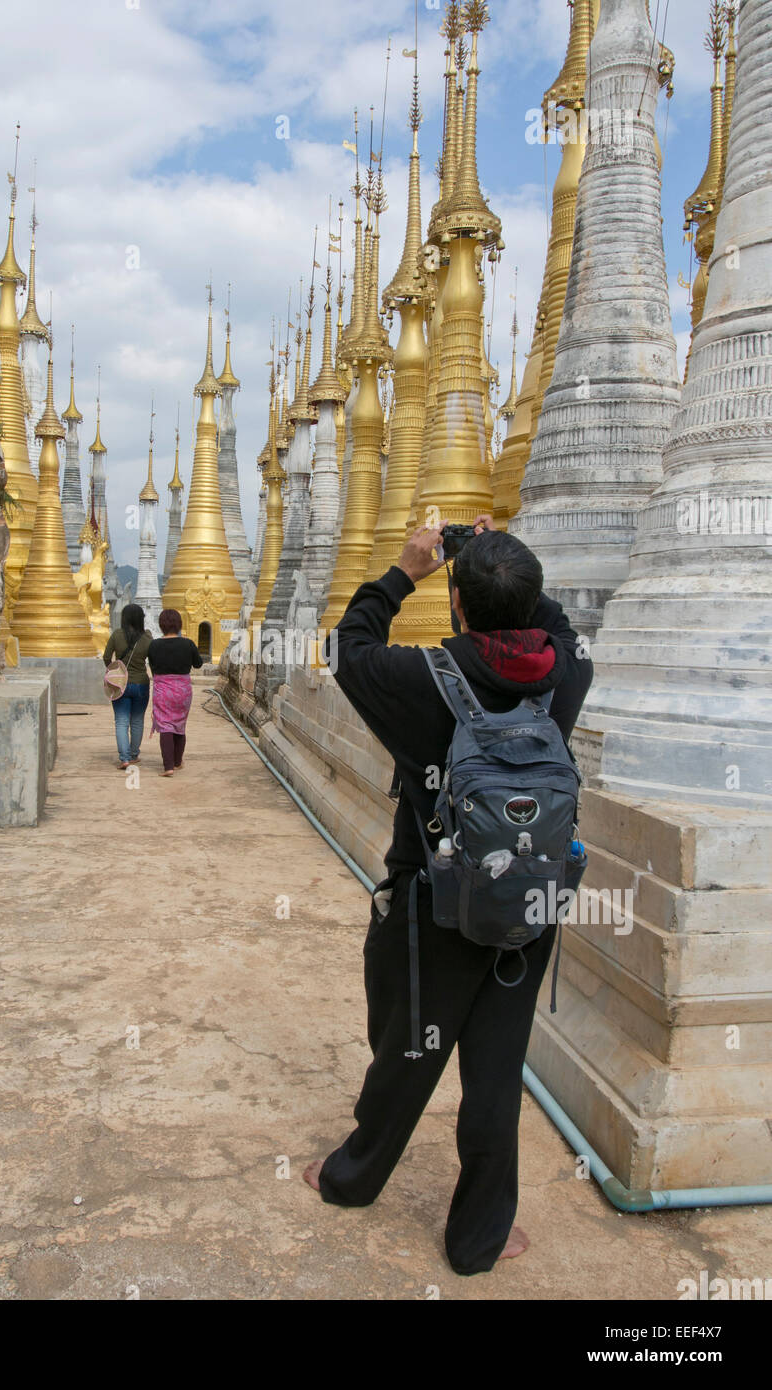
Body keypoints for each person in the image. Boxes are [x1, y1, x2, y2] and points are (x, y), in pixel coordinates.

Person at [304, 515, 593, 1277]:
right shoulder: (566, 675)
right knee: (496, 1074)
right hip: (526, 908)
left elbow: (344, 646)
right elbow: (556, 624)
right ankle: (478, 1238)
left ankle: (354, 1177)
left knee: (407, 1046)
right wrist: (500, 567)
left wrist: (407, 569)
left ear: (457, 604)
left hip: (433, 901)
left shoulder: (418, 679)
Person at [146, 609, 203, 777]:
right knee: (179, 725)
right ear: (179, 624)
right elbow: (198, 664)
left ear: (161, 625)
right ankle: (178, 762)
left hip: (163, 690)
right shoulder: (188, 644)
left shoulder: (154, 645)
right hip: (183, 691)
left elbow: (153, 665)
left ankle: (168, 766)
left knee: (165, 726)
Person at [103, 604, 153, 769]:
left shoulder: (117, 635)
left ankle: (124, 758)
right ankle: (133, 755)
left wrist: (114, 670)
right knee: (137, 721)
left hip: (120, 684)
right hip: (141, 684)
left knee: (121, 721)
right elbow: (152, 661)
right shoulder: (147, 638)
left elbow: (106, 657)